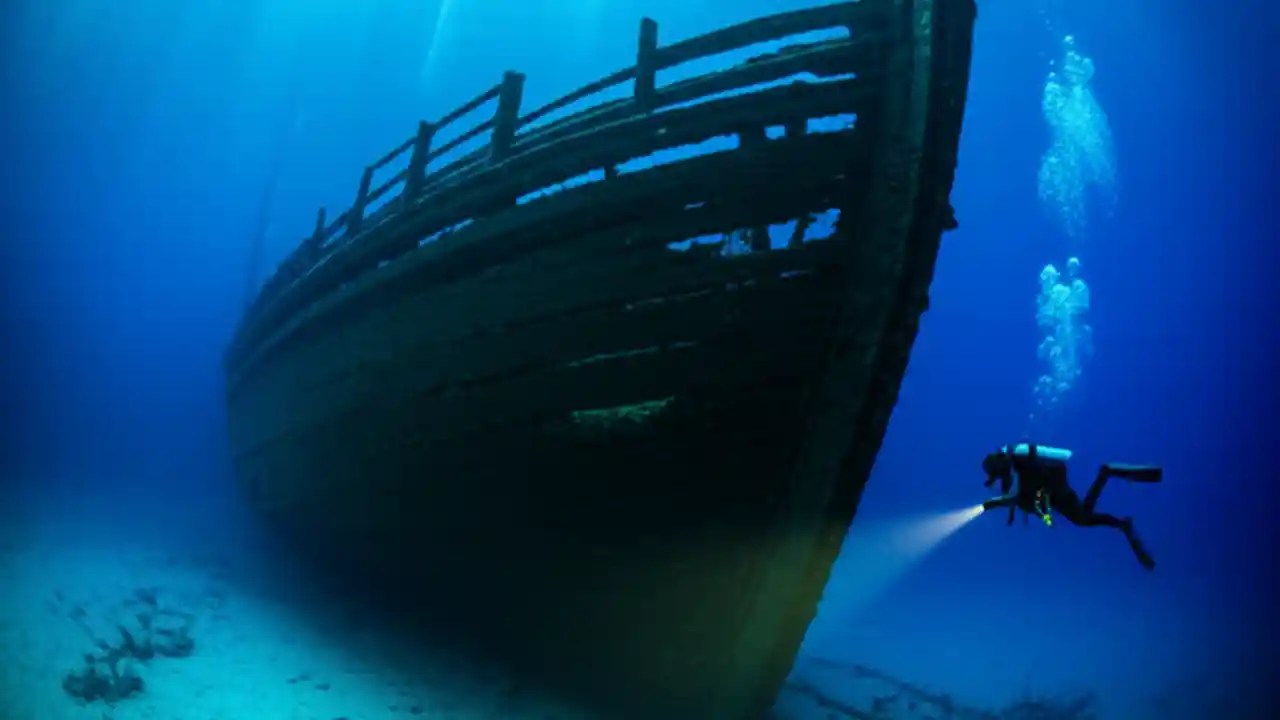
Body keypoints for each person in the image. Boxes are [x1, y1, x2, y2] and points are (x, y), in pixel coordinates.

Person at [980, 443, 1161, 570]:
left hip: (1055, 489)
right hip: (1053, 492)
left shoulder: (1019, 466)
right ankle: (1121, 521)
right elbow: (1014, 497)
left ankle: (1107, 475)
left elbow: (1015, 497)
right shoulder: (1011, 471)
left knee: (1082, 518)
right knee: (1082, 517)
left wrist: (991, 504)